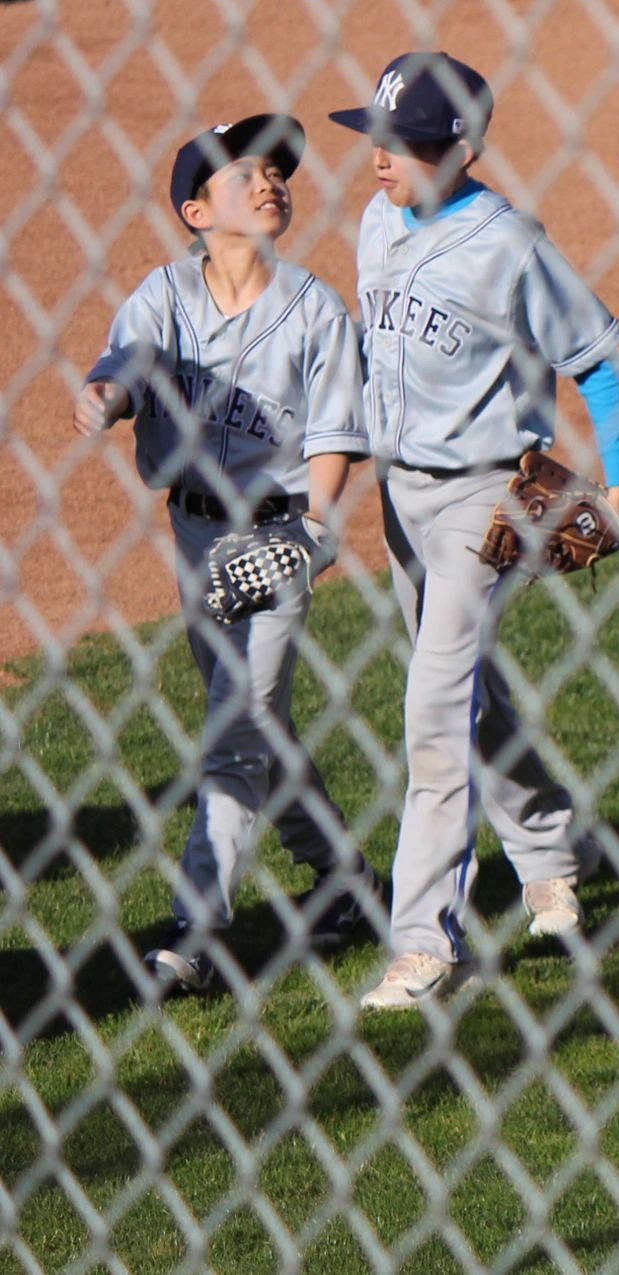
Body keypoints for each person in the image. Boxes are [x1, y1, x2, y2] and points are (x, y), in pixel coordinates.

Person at [335, 51, 619, 1012]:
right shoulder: (376, 221)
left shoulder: (511, 243)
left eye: (407, 143)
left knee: (432, 711)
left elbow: (593, 361)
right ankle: (550, 850)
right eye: (377, 137)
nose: (383, 158)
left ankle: (426, 940)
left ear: (459, 148)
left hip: (484, 498)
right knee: (463, 681)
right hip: (401, 496)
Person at [77, 115, 380, 993]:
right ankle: (346, 880)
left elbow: (333, 432)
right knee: (259, 722)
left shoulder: (316, 306)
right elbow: (131, 355)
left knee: (234, 730)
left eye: (278, 172)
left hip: (278, 534)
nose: (272, 181)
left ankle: (195, 933)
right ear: (197, 209)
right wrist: (107, 392)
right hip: (196, 530)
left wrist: (316, 531)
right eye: (247, 173)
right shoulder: (166, 293)